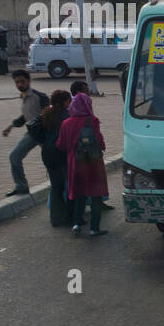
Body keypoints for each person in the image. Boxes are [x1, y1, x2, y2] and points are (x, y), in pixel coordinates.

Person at [56, 92, 109, 237]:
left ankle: (76, 224)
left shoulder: (66, 123)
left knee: (80, 195)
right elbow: (99, 141)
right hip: (93, 164)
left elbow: (60, 145)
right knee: (96, 196)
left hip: (75, 164)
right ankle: (94, 228)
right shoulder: (92, 120)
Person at [3, 69, 49, 197]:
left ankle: (59, 186)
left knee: (51, 161)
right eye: (17, 82)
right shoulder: (23, 96)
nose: (19, 85)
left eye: (22, 81)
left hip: (44, 135)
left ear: (28, 81)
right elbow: (25, 116)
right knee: (14, 156)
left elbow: (50, 115)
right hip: (31, 133)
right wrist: (11, 126)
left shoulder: (40, 97)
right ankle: (21, 186)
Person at [69, 80, 112, 210]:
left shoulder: (68, 120)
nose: (88, 94)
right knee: (95, 184)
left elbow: (63, 142)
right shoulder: (91, 120)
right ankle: (95, 219)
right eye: (86, 91)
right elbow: (98, 138)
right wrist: (102, 147)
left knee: (79, 187)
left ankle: (77, 220)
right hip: (92, 156)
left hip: (75, 158)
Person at [38, 90, 73, 227]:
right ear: (63, 101)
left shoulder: (45, 113)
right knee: (69, 185)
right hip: (61, 153)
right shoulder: (65, 115)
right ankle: (69, 216)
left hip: (47, 153)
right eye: (68, 100)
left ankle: (56, 218)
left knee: (56, 187)